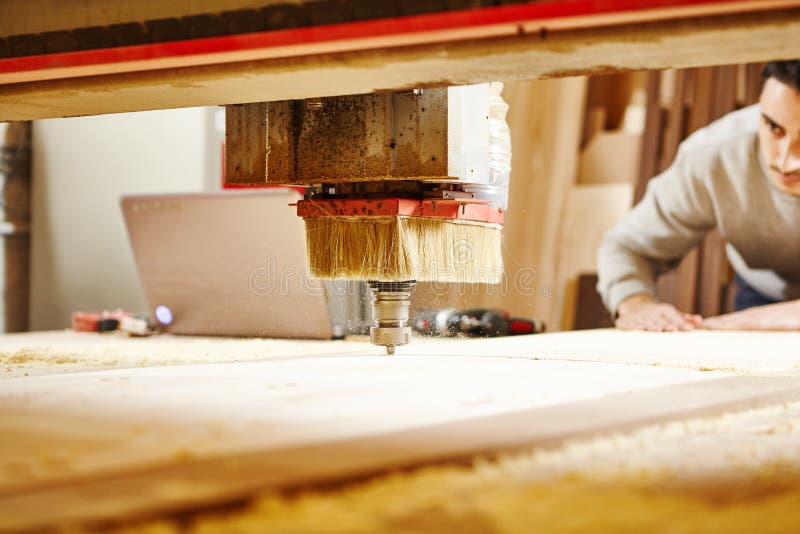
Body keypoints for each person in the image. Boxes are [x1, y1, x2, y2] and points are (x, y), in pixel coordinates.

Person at [597, 60, 800, 332]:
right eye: (774, 128)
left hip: (760, 317)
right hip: (766, 294)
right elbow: (626, 247)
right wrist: (636, 304)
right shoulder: (713, 158)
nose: (787, 161)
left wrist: (753, 321)